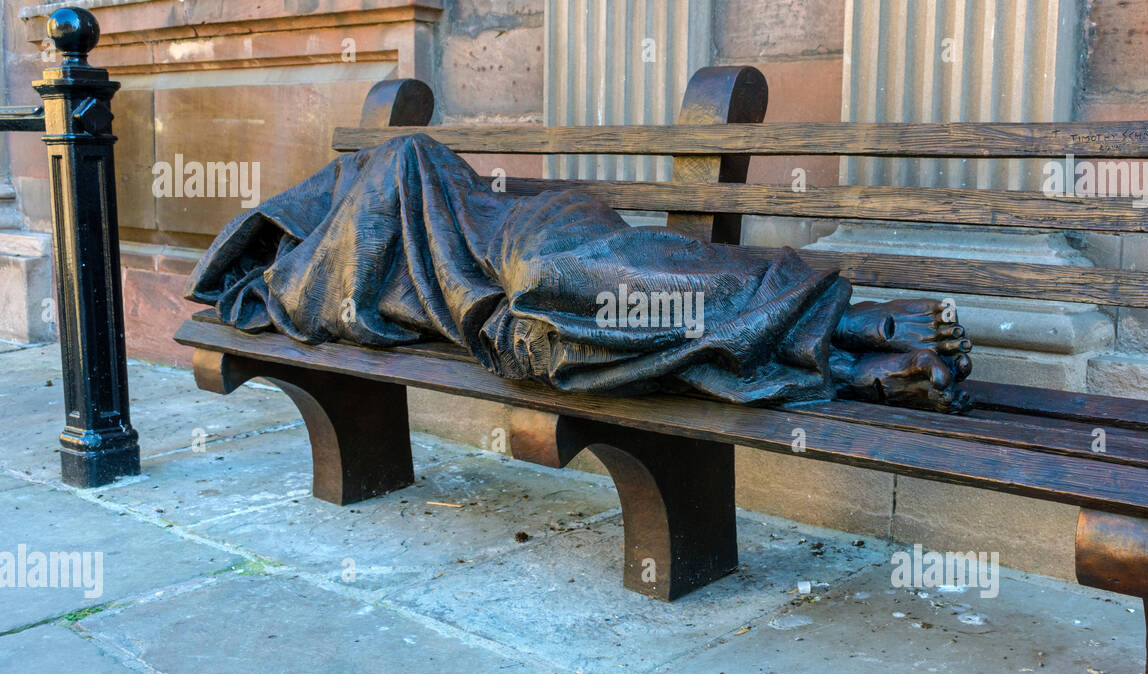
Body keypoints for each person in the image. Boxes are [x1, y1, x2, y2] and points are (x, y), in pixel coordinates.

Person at [186, 134, 973, 412]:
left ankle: (833, 316)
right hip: (485, 317)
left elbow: (338, 270)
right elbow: (322, 303)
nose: (268, 267)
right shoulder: (296, 286)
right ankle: (839, 367)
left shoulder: (374, 174)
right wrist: (277, 289)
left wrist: (282, 281)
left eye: (268, 248)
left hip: (520, 234)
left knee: (573, 282)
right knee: (554, 349)